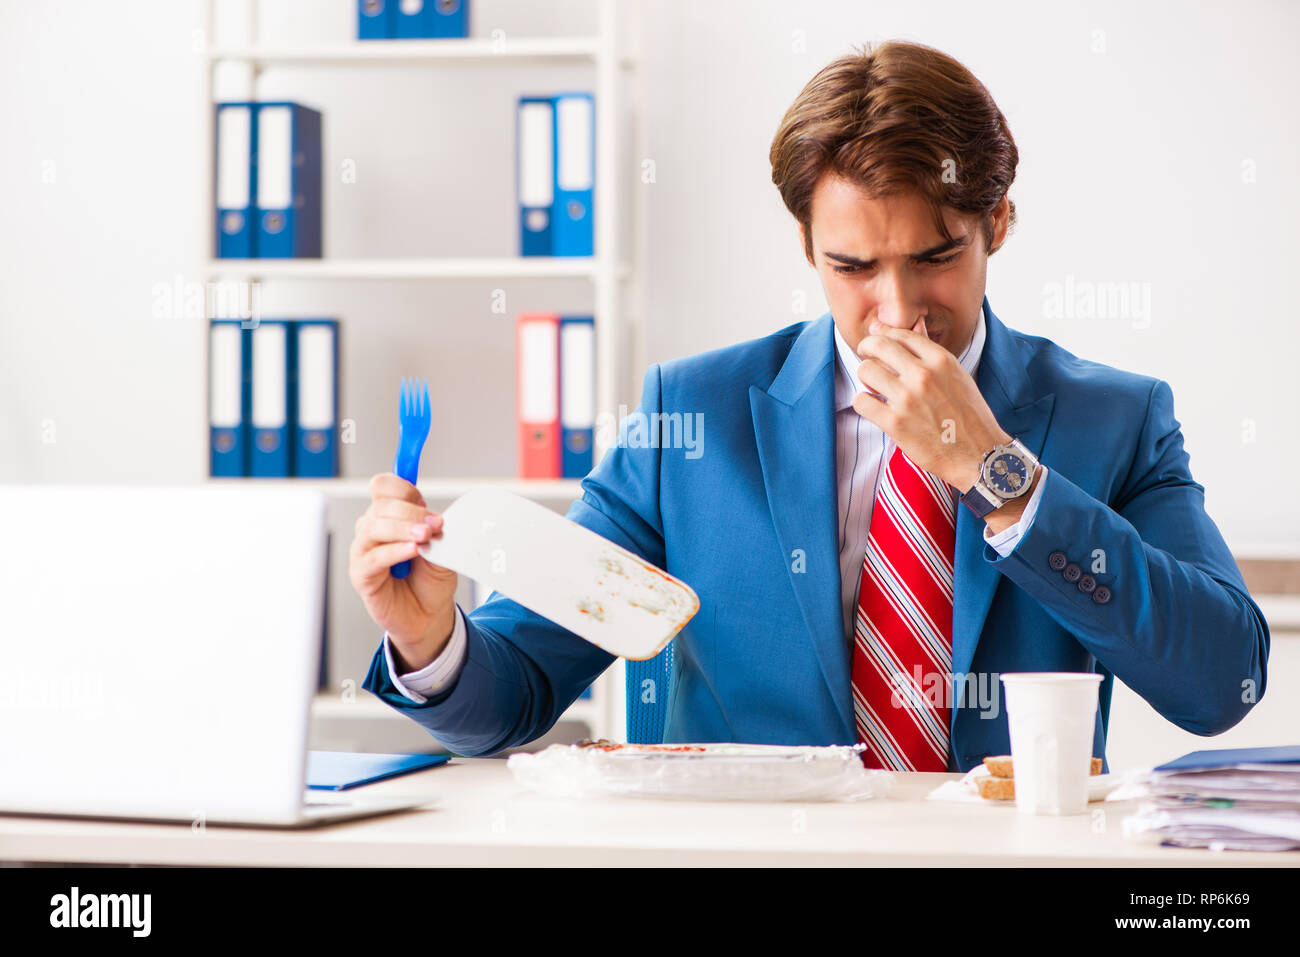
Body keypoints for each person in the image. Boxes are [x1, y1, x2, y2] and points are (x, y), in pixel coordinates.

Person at [348, 40, 1269, 772]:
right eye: (856, 267)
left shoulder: (1117, 417)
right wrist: (432, 640)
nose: (900, 310)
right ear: (806, 245)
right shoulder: (693, 418)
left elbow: (1222, 678)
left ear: (998, 225)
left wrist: (1002, 476)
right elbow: (512, 697)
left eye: (937, 255)